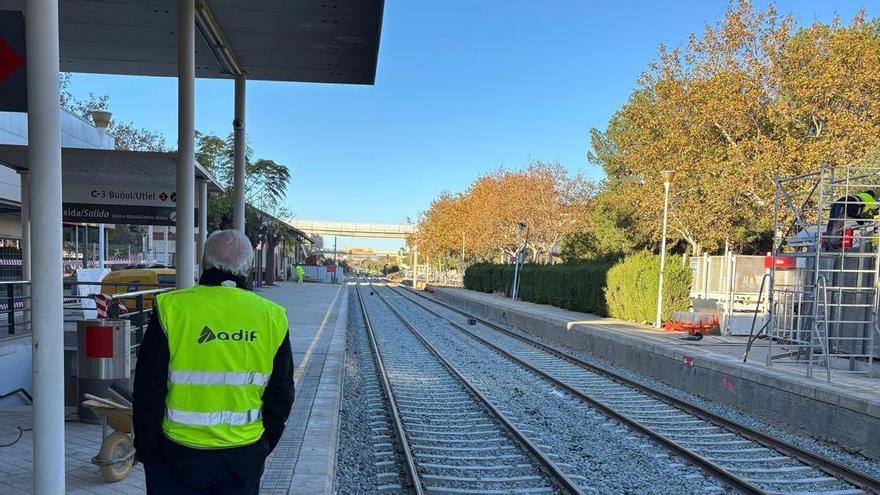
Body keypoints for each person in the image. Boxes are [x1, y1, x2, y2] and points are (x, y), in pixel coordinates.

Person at [133, 229, 294, 495]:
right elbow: (282, 393)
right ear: (250, 266)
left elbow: (148, 386)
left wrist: (148, 451)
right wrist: (264, 445)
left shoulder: (171, 308)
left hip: (177, 456)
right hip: (243, 457)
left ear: (204, 261)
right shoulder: (272, 316)